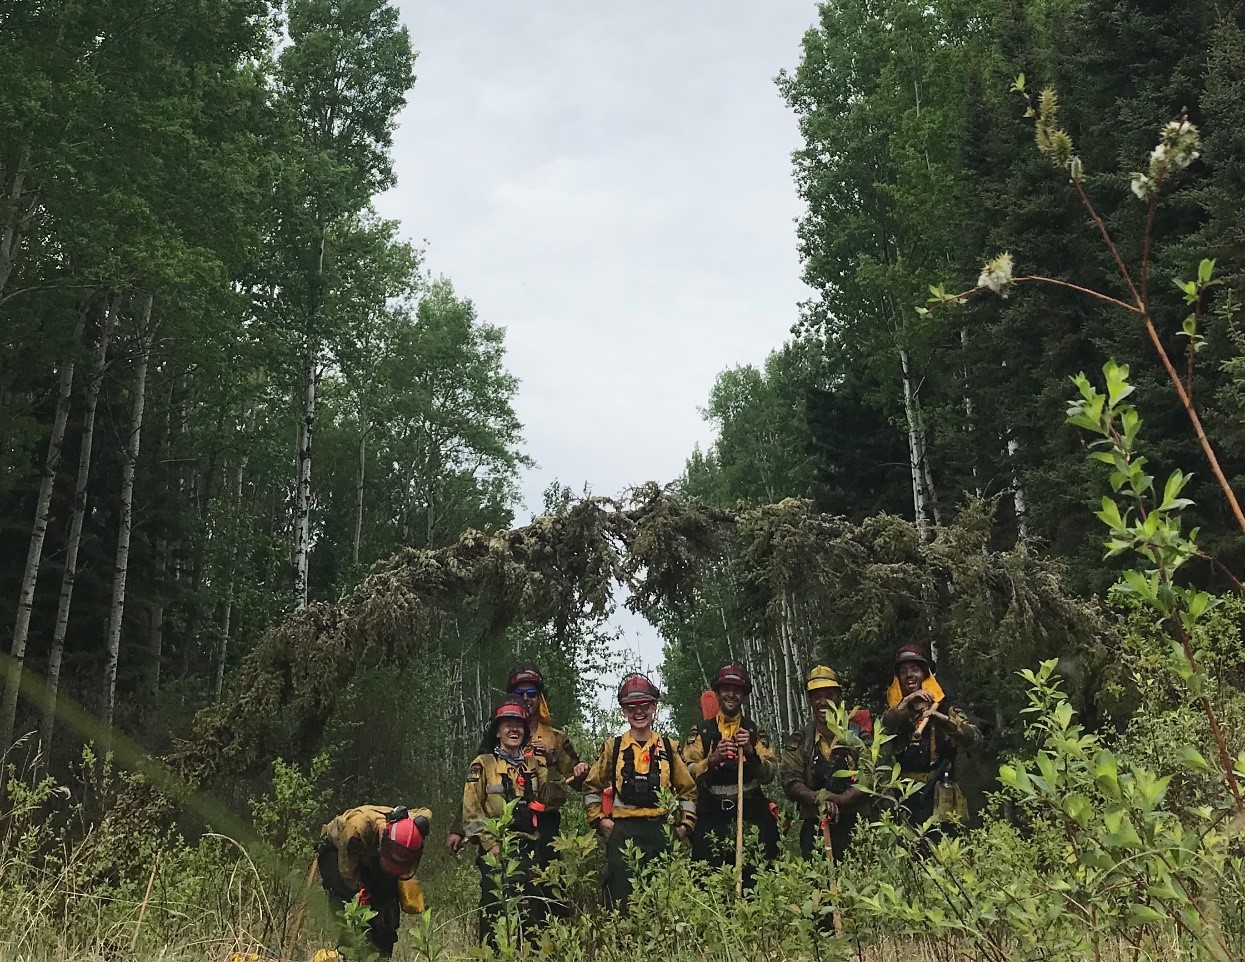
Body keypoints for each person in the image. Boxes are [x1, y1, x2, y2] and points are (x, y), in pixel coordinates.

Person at [448, 663, 589, 873]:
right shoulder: (493, 743)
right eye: (519, 693)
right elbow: (475, 790)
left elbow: (576, 782)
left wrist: (574, 769)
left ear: (539, 696)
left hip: (544, 825)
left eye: (531, 693)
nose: (526, 698)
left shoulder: (555, 739)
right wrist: (458, 829)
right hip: (503, 827)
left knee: (547, 890)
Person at [582, 673, 697, 912]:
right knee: (621, 902)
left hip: (660, 831)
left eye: (645, 705)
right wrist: (599, 820)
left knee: (662, 905)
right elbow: (591, 786)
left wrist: (685, 826)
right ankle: (624, 948)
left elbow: (688, 789)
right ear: (623, 710)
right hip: (623, 833)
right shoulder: (613, 748)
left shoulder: (668, 747)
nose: (639, 712)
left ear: (654, 706)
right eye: (631, 707)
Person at [462, 697, 549, 947]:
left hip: (529, 849)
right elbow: (470, 811)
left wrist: (550, 764)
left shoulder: (533, 765)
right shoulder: (482, 765)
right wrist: (491, 845)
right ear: (497, 731)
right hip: (495, 851)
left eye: (519, 725)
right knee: (494, 912)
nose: (514, 730)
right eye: (507, 725)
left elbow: (553, 799)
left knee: (532, 915)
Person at [682, 662, 779, 880]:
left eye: (737, 690)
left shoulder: (754, 731)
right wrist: (712, 759)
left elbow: (770, 774)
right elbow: (686, 774)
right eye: (726, 689)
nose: (731, 695)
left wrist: (752, 754)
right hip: (712, 816)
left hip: (751, 815)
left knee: (757, 879)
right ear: (717, 692)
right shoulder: (701, 731)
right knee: (707, 881)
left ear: (744, 695)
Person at [881, 644, 980, 829]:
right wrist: (909, 703)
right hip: (905, 799)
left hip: (940, 798)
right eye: (903, 671)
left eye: (915, 669)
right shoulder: (895, 716)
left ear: (926, 674)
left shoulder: (946, 709)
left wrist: (945, 722)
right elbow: (886, 724)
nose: (909, 675)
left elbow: (974, 738)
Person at [781, 665, 872, 861]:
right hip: (814, 825)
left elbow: (869, 778)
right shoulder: (800, 740)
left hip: (857, 824)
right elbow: (790, 780)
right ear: (810, 701)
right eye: (817, 696)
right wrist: (820, 798)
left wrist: (839, 800)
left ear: (839, 698)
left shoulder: (859, 737)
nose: (823, 702)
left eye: (829, 695)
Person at [316, 804, 431, 958]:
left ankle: (382, 955)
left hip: (374, 855)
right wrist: (360, 892)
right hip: (337, 852)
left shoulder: (412, 824)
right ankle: (346, 955)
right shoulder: (356, 829)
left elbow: (426, 813)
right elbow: (348, 875)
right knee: (352, 908)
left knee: (386, 915)